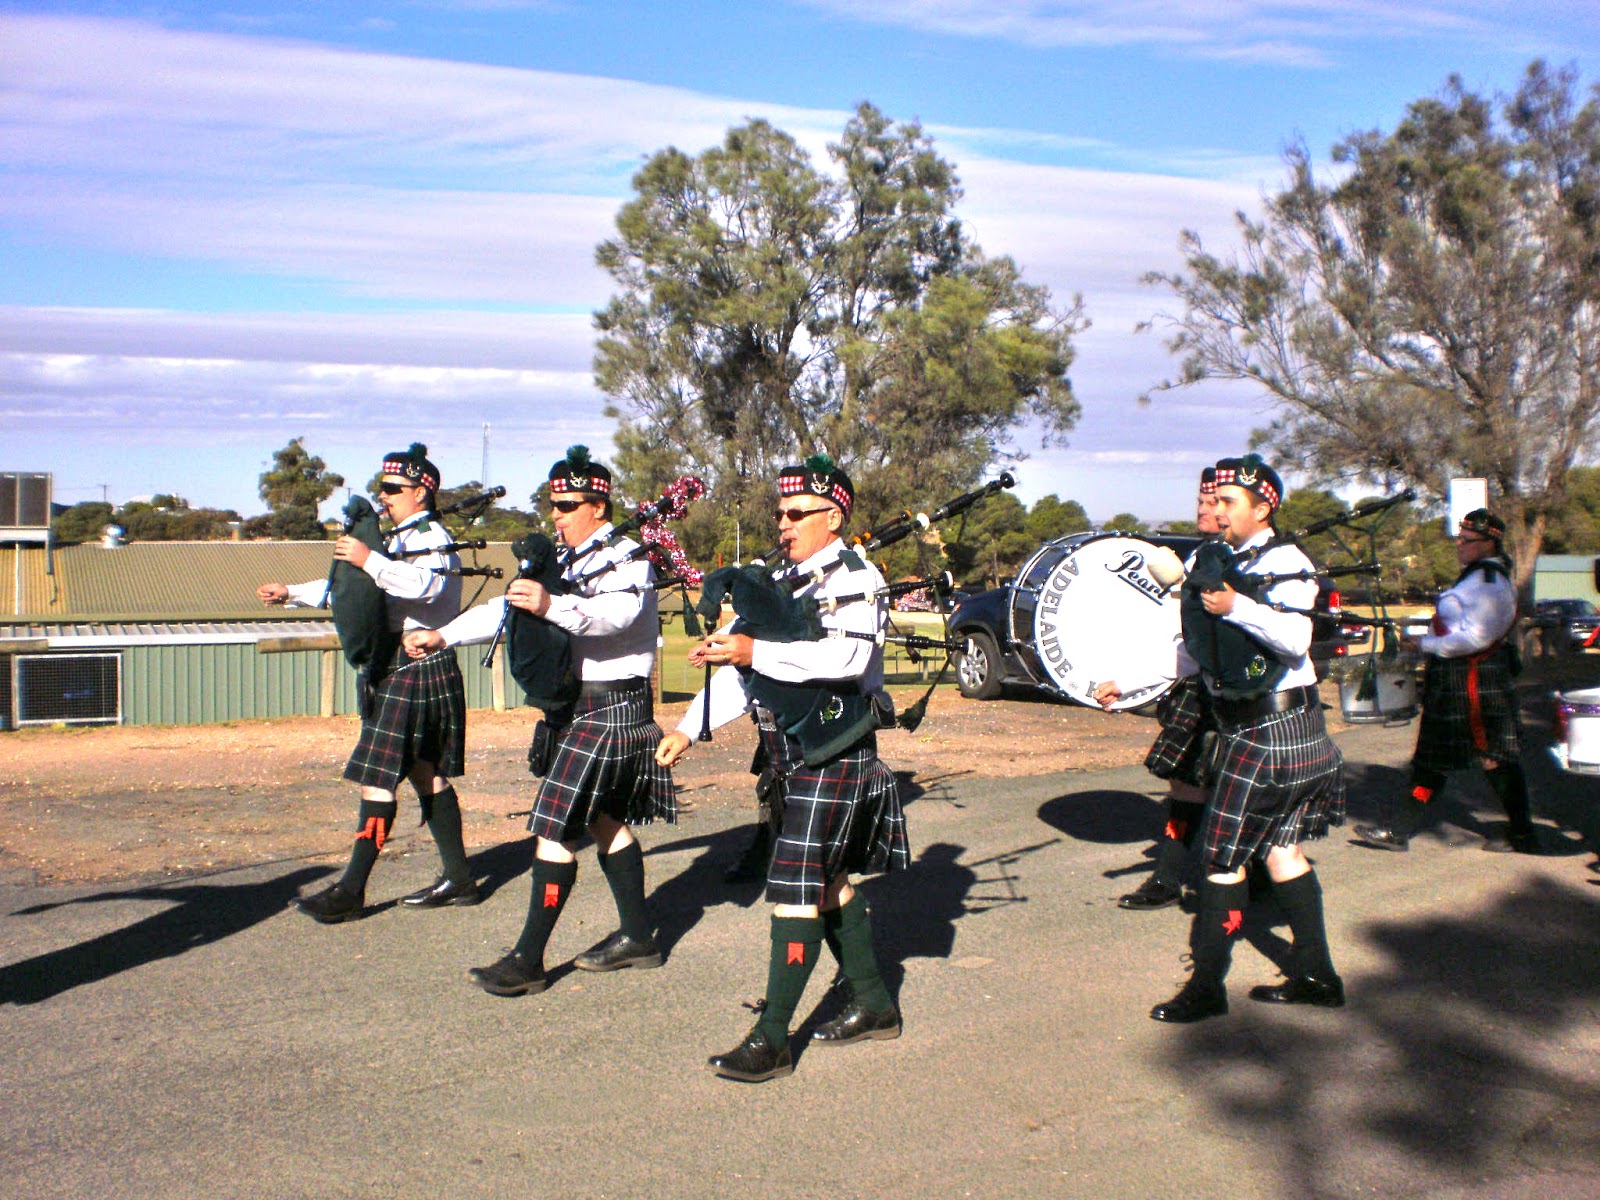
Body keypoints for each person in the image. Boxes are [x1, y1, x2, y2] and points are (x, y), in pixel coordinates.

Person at [657, 454, 909, 1083]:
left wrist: (752, 646)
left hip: (836, 751)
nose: (784, 525)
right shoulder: (777, 579)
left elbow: (847, 660)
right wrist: (690, 727)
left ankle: (771, 1040)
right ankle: (876, 1004)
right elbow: (749, 674)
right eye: (780, 514)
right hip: (788, 755)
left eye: (797, 514)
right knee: (825, 883)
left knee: (796, 890)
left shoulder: (857, 578)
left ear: (835, 516)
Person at [406, 446, 675, 996]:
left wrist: (551, 604)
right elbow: (510, 605)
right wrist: (443, 635)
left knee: (553, 830)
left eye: (569, 504)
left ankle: (528, 959)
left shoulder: (632, 558)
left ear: (599, 505)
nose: (557, 514)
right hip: (576, 708)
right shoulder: (566, 556)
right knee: (602, 822)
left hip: (614, 705)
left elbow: (614, 616)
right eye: (553, 504)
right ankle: (638, 935)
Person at [1150, 454, 1347, 1023]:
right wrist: (1132, 679)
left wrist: (1239, 606)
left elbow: (1293, 640)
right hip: (1272, 725)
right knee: (1283, 851)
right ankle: (1318, 976)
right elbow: (1195, 648)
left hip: (1271, 725)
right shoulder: (1218, 559)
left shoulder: (1287, 561)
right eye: (1215, 502)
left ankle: (1207, 988)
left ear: (1264, 509)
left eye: (1229, 503)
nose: (1217, 510)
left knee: (1220, 857)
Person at [258, 442, 474, 922]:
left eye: (394, 489)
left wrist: (366, 559)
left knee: (377, 780)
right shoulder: (394, 538)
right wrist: (292, 592)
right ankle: (459, 878)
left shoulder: (434, 536)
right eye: (382, 487)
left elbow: (424, 586)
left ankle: (351, 890)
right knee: (423, 773)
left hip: (418, 662)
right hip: (396, 663)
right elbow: (355, 589)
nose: (385, 495)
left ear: (422, 492)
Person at [1353, 509, 1538, 854]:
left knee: (1493, 756)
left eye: (1468, 540)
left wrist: (1426, 645)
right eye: (1459, 538)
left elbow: (1476, 638)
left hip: (1474, 679)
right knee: (1435, 759)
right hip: (1456, 677)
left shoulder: (1489, 582)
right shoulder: (1474, 577)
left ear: (1489, 543)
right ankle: (1399, 829)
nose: (1459, 545)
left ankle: (1523, 832)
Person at [1095, 466, 1221, 911]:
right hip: (1199, 687)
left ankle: (1261, 879)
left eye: (1217, 500)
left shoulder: (1269, 564)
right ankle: (1167, 879)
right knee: (1185, 786)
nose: (1206, 508)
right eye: (1203, 500)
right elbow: (1183, 646)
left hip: (1249, 698)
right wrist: (1126, 685)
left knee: (1241, 796)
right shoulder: (1200, 559)